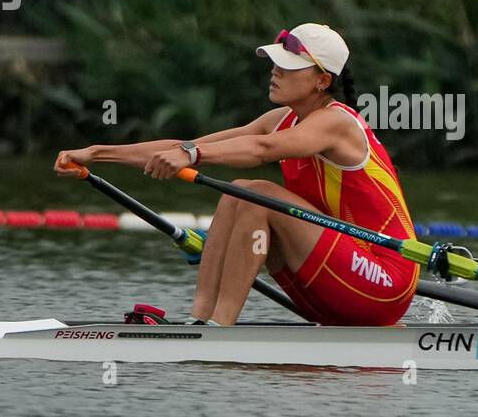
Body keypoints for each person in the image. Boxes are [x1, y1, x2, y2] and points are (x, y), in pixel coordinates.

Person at [53, 23, 419, 327]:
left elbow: (261, 151)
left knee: (254, 192)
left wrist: (191, 156)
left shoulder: (337, 123)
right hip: (336, 283)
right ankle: (201, 321)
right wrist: (97, 153)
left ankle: (220, 326)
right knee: (237, 194)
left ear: (322, 81)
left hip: (384, 282)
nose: (275, 72)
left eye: (288, 66)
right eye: (275, 63)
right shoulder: (283, 120)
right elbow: (189, 143)